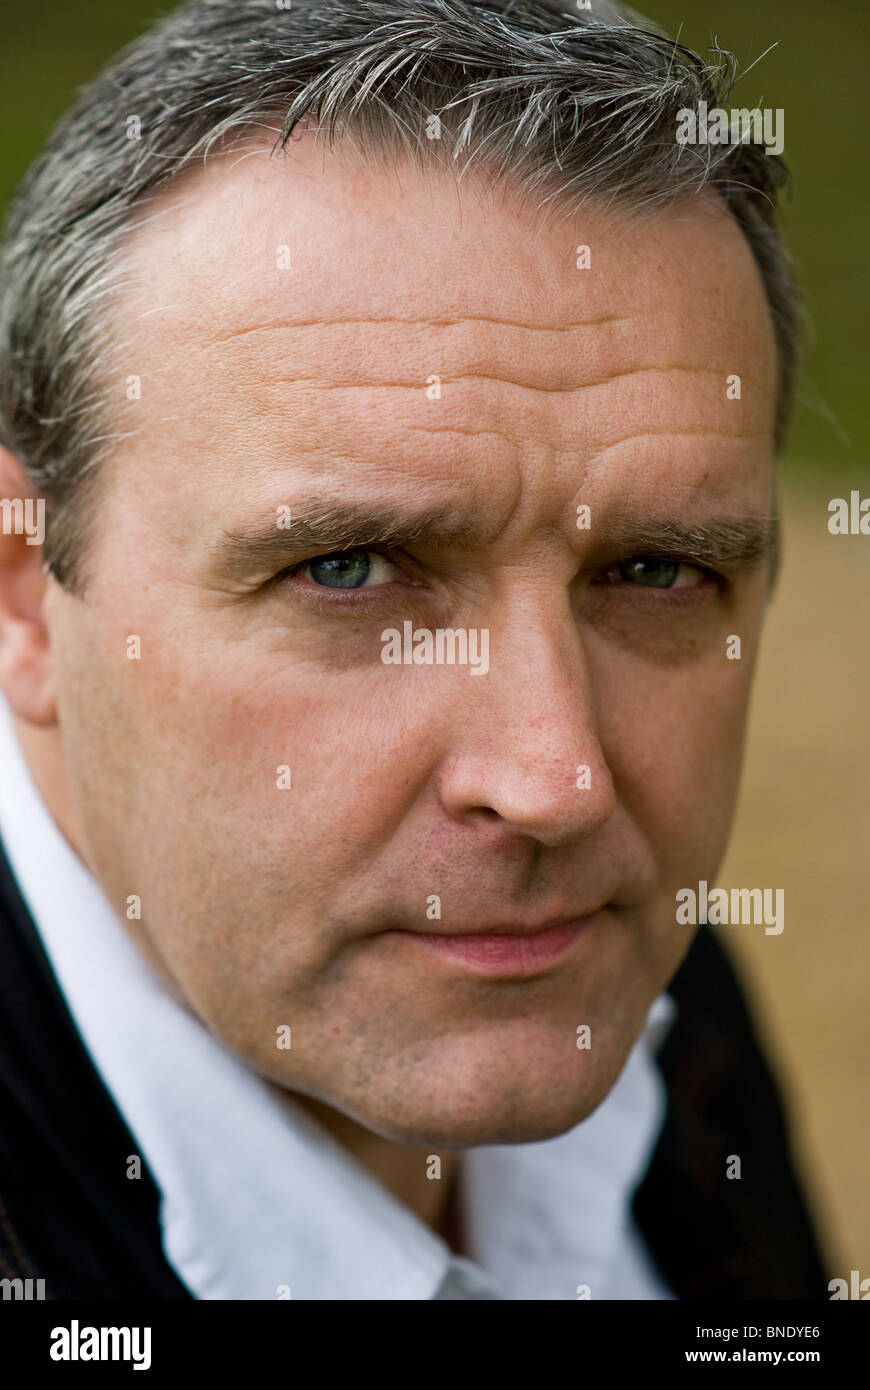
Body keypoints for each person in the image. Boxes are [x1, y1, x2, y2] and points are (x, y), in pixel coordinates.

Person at [0, 0, 828, 1299]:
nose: (559, 781)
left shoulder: (631, 996)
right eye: (350, 570)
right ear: (26, 593)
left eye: (654, 569)